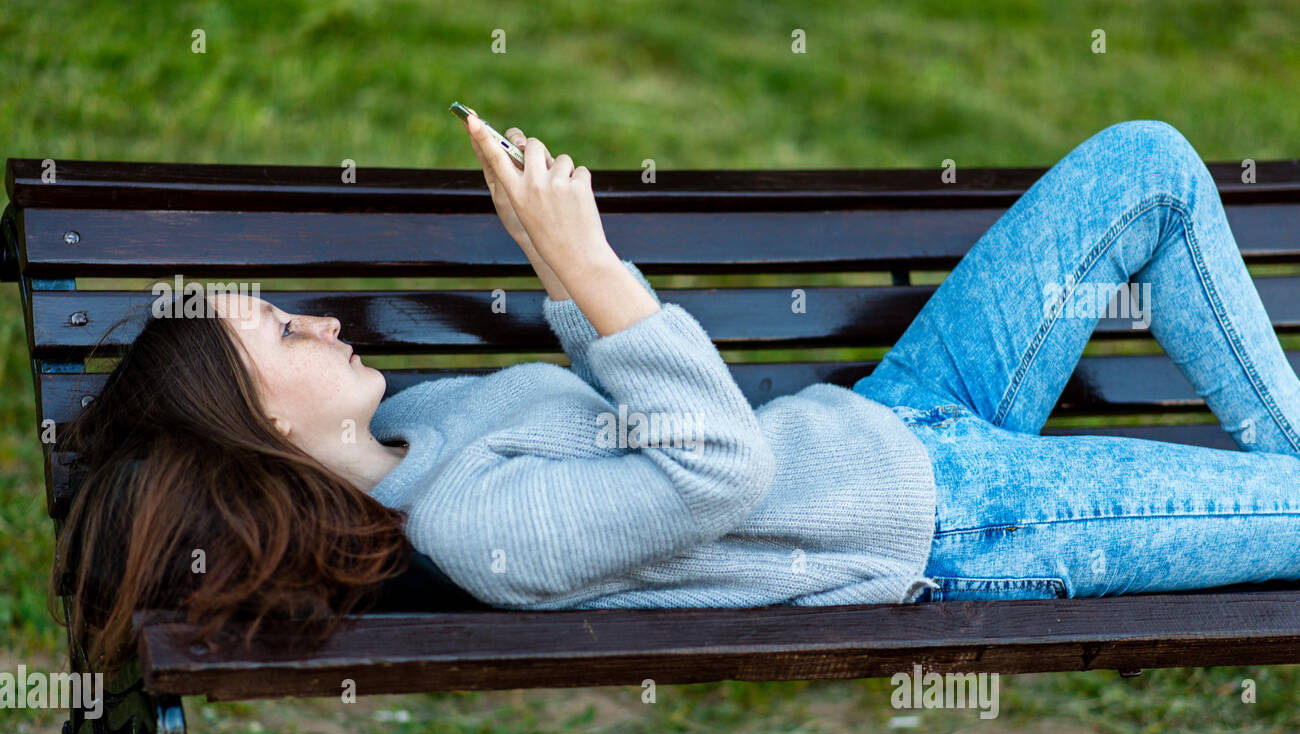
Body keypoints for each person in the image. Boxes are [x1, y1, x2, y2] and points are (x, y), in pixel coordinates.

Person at [52, 116, 1300, 676]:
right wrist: (587, 271)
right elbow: (717, 471)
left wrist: (562, 275)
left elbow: (641, 411)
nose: (318, 320)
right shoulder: (474, 529)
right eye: (281, 329)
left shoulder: (424, 427)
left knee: (1144, 168)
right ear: (259, 420)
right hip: (968, 527)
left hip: (901, 413)